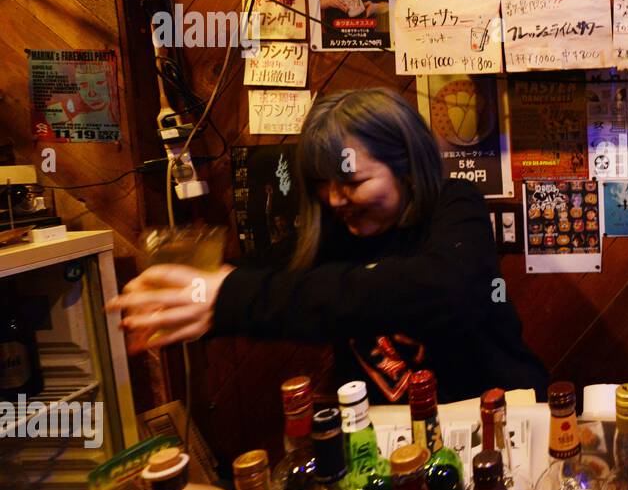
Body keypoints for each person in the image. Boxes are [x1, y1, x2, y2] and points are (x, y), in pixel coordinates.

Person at [108, 88, 547, 405]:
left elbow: (445, 290)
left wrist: (235, 298)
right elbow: (269, 283)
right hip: (387, 447)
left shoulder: (455, 206)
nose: (336, 200)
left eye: (353, 182)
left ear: (408, 167)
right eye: (323, 185)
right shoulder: (332, 235)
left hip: (500, 421)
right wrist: (200, 296)